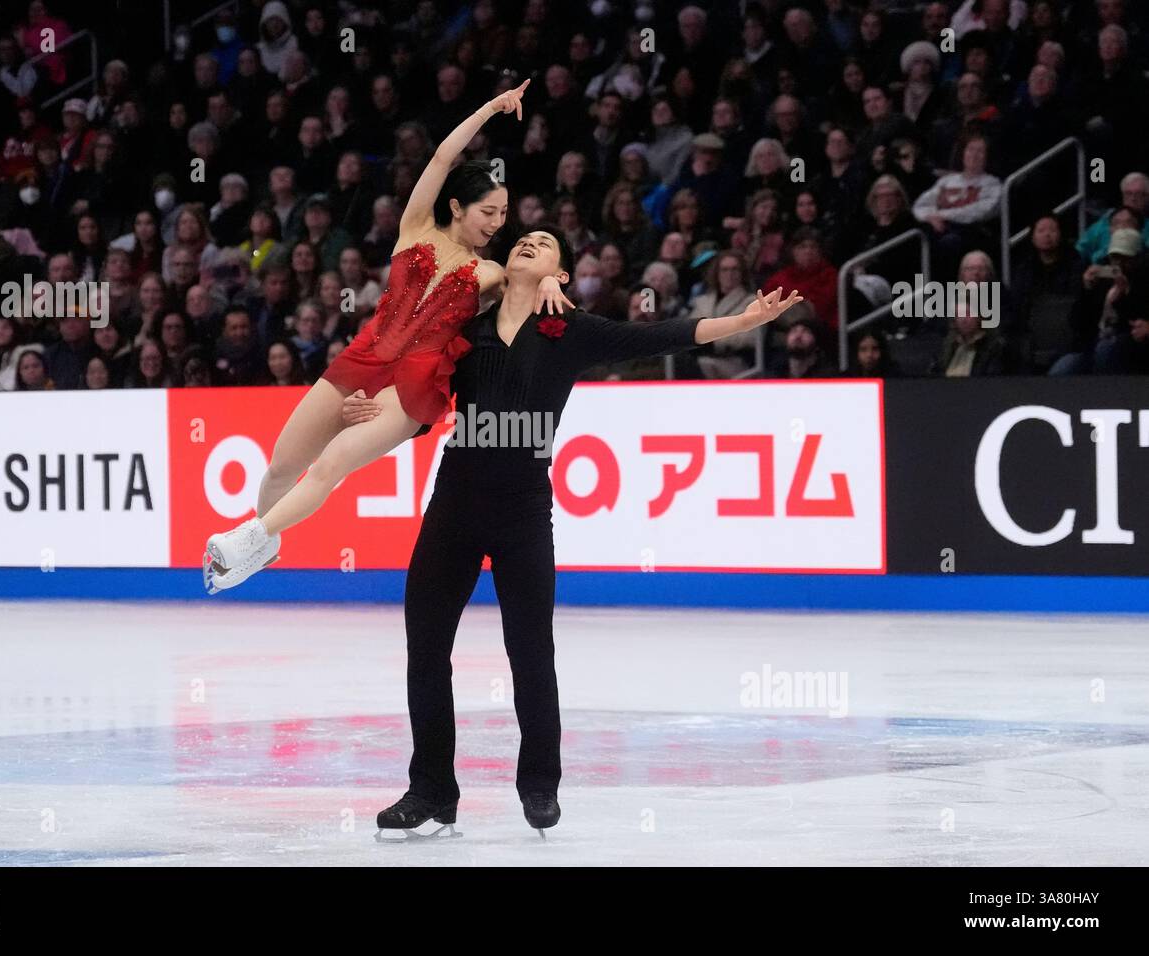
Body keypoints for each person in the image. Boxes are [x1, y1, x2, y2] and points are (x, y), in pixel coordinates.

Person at [341, 224, 800, 836]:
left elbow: (661, 335)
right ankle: (431, 790)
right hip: (453, 505)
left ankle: (539, 785)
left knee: (531, 652)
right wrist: (363, 406)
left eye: (545, 244)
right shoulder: (464, 326)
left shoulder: (570, 331)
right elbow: (413, 387)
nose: (528, 243)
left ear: (560, 274)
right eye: (522, 239)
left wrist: (743, 322)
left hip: (523, 512)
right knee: (425, 650)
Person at [203, 80, 572, 591]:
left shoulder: (489, 272)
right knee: (282, 466)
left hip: (415, 383)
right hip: (363, 358)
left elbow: (527, 281)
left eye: (505, 216)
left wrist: (551, 277)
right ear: (459, 206)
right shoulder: (416, 226)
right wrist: (491, 107)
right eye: (490, 211)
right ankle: (264, 546)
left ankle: (247, 537)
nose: (497, 223)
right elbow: (443, 156)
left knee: (332, 463)